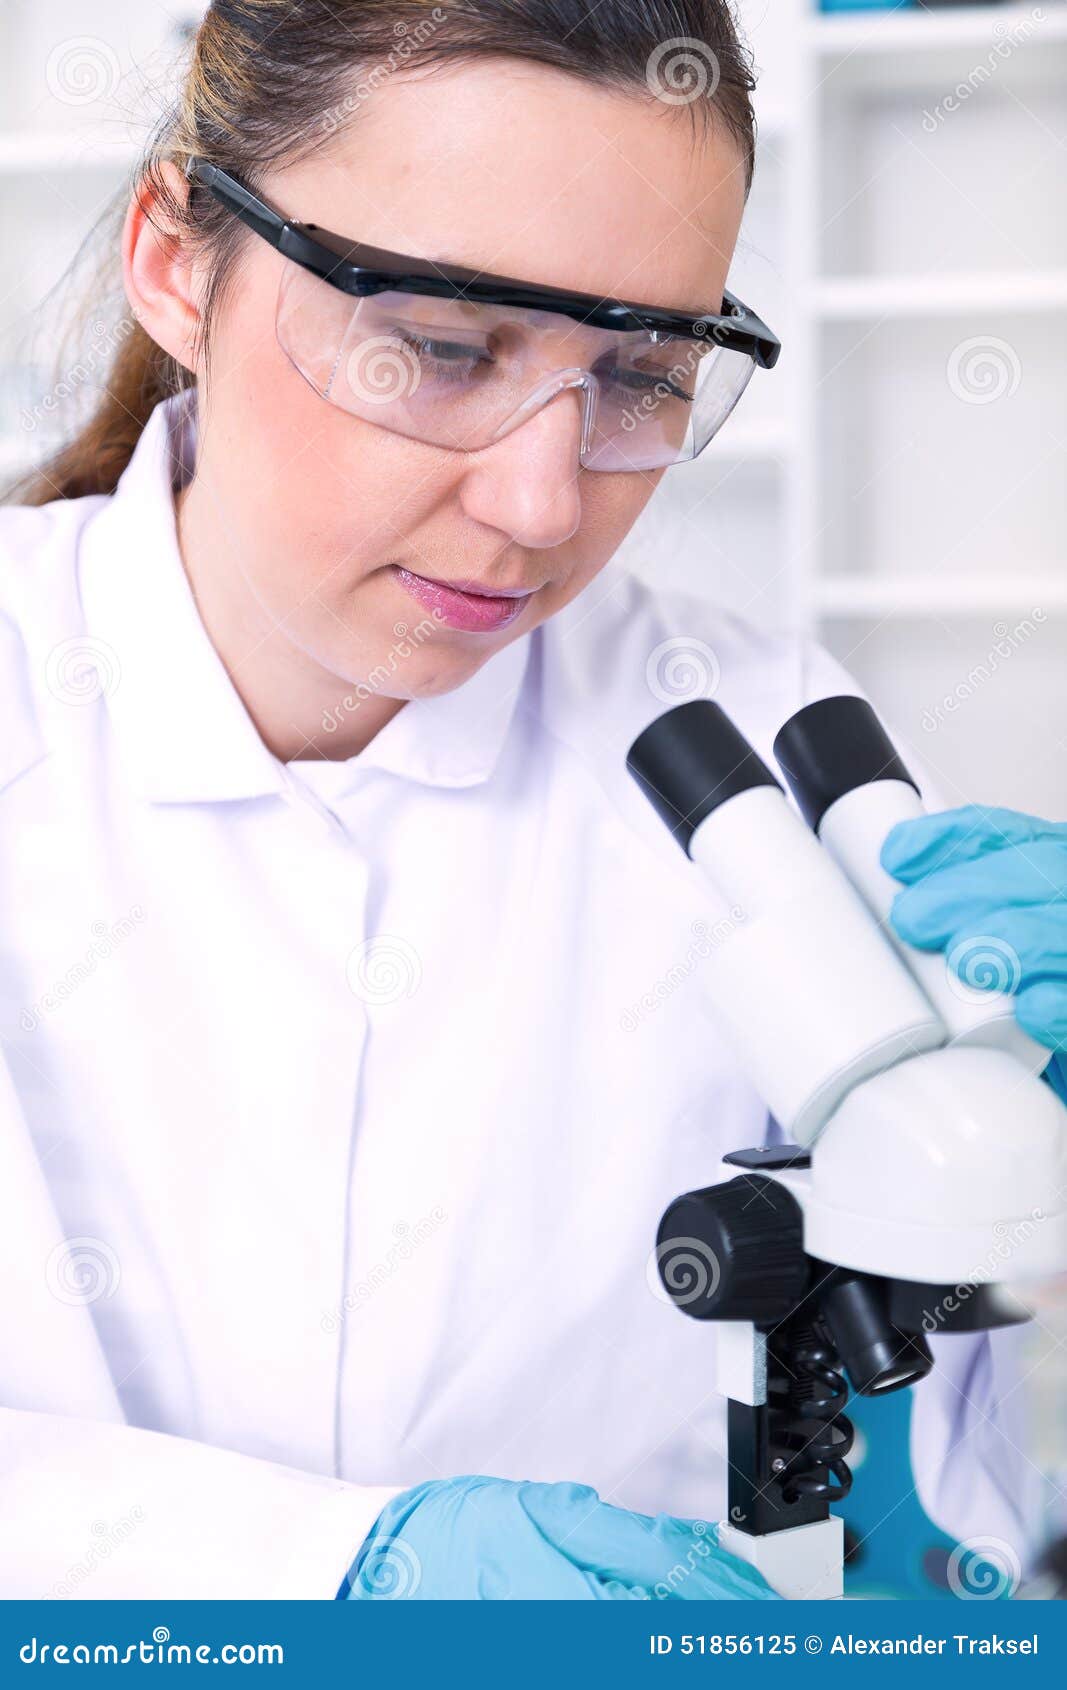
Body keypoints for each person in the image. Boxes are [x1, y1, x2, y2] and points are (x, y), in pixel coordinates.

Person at [0, 0, 1063, 1600]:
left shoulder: (767, 746)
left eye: (644, 373)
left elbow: (940, 1518)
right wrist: (332, 1571)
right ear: (177, 260)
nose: (541, 503)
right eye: (439, 347)